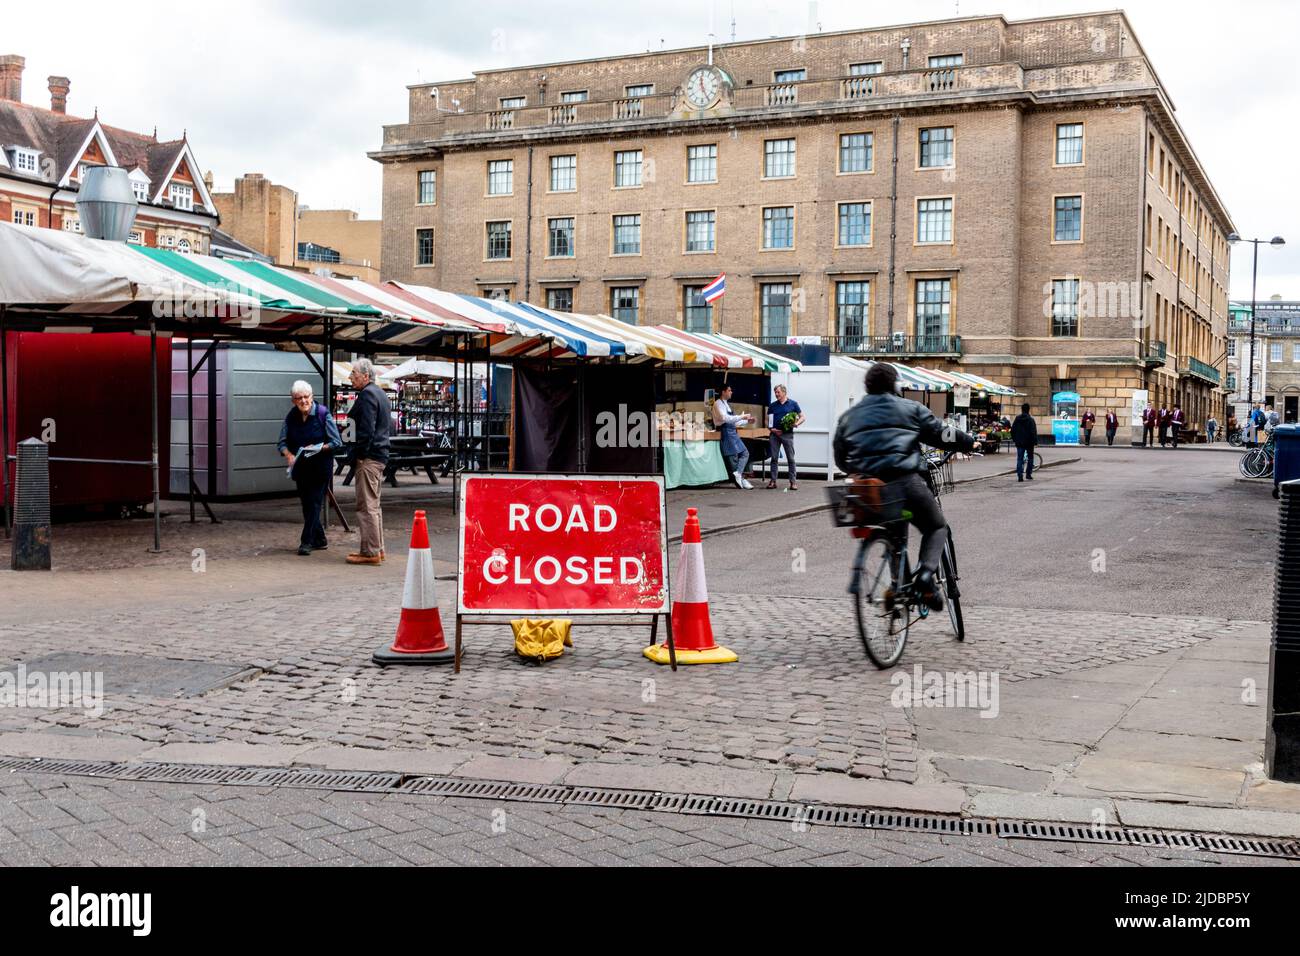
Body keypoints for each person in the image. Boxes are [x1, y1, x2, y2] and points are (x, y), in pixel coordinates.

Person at [832, 362, 977, 611]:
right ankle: (924, 576)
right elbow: (941, 434)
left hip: (869, 491)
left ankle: (899, 584)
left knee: (894, 533)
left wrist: (858, 470)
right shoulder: (910, 408)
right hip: (905, 483)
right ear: (895, 385)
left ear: (867, 386)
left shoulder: (849, 416)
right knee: (936, 526)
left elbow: (840, 457)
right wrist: (968, 443)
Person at [277, 381, 343, 556]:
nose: (304, 401)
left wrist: (320, 447)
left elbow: (336, 442)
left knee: (314, 503)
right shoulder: (291, 417)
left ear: (312, 397)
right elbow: (281, 442)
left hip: (320, 468)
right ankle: (320, 539)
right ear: (293, 400)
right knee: (307, 505)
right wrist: (288, 455)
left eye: (306, 397)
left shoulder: (322, 414)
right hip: (301, 468)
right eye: (299, 398)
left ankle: (306, 542)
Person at [347, 358, 392, 565]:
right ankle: (377, 549)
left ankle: (370, 552)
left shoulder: (366, 395)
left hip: (370, 457)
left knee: (366, 506)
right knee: (374, 505)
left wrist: (360, 454)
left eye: (354, 374)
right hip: (379, 455)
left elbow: (366, 429)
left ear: (365, 376)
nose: (350, 377)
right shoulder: (380, 393)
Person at [712, 384, 755, 489]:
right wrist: (742, 416)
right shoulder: (718, 403)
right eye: (729, 390)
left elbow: (734, 422)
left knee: (745, 453)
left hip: (732, 432)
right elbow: (725, 418)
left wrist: (746, 421)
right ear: (723, 392)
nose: (731, 392)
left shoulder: (727, 404)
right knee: (734, 459)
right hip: (726, 432)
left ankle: (739, 474)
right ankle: (740, 479)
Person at [766, 384, 805, 490]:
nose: (776, 394)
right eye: (775, 392)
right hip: (774, 435)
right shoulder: (772, 405)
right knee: (774, 458)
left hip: (787, 435)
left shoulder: (793, 404)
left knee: (791, 458)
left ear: (784, 392)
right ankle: (773, 481)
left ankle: (793, 482)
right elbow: (767, 420)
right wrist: (771, 429)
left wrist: (797, 423)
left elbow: (803, 416)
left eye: (778, 392)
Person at [1011, 402, 1037, 481]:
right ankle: (1028, 474)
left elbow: (1012, 430)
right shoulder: (1031, 420)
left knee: (1020, 459)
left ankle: (1020, 476)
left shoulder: (1017, 419)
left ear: (1022, 410)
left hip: (1019, 442)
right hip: (1029, 443)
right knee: (1030, 458)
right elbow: (1033, 432)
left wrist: (1015, 439)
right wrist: (1035, 442)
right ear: (1029, 410)